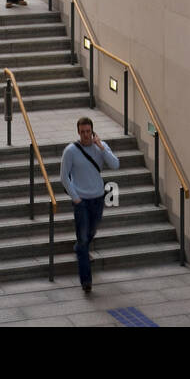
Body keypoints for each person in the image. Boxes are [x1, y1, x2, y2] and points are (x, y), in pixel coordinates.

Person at [60, 117, 120, 294]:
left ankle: (80, 247)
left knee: (92, 231)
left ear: (93, 132)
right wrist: (76, 198)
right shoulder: (70, 151)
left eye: (88, 131)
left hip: (98, 198)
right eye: (82, 132)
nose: (86, 135)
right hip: (81, 202)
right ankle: (86, 281)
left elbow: (115, 165)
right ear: (78, 133)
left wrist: (102, 147)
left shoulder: (101, 147)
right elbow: (64, 177)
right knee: (84, 239)